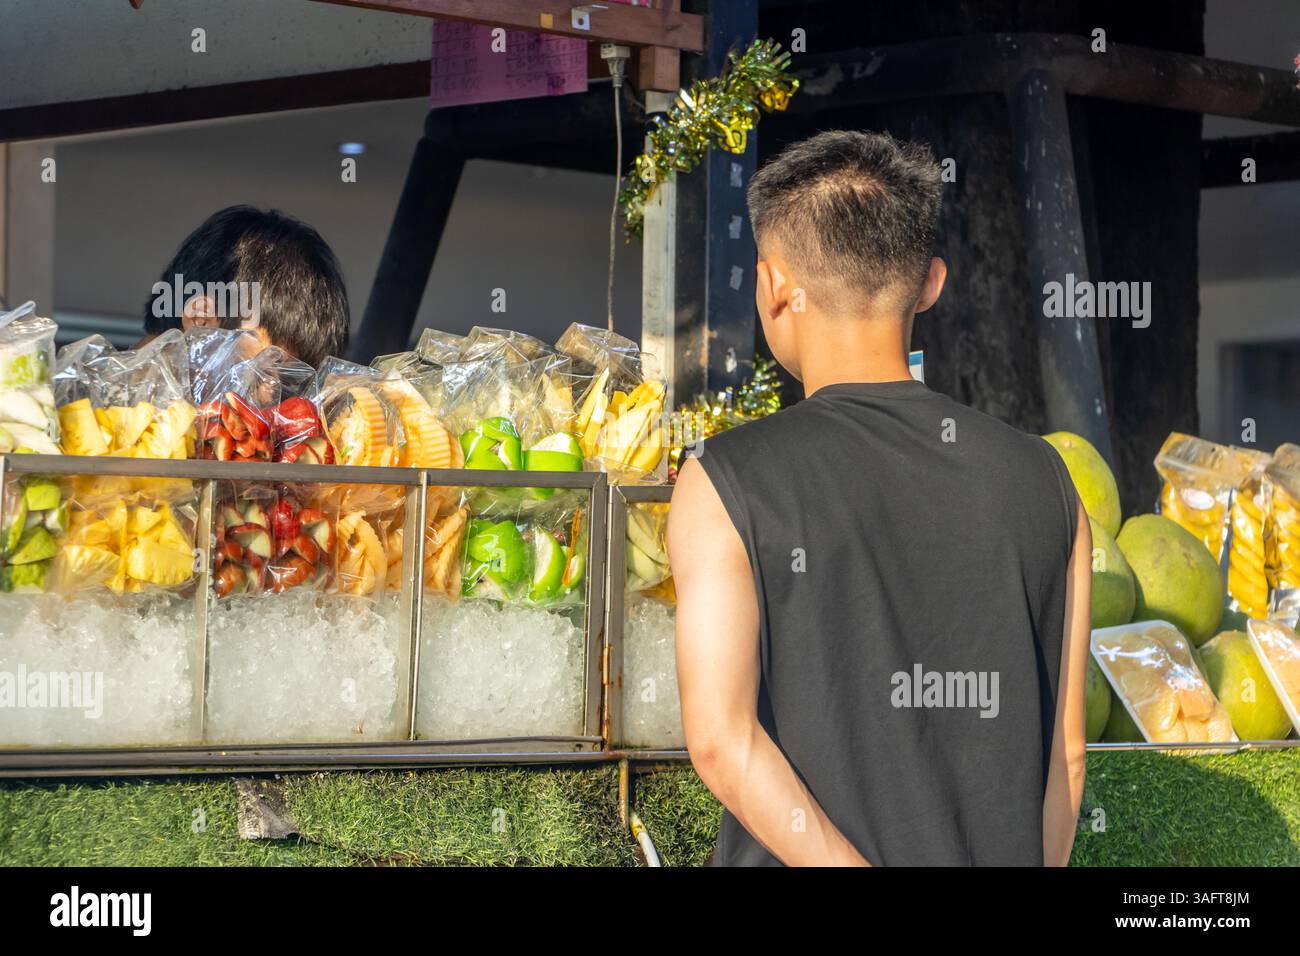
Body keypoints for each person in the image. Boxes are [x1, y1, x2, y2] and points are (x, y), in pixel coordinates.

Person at [667, 131, 1091, 867]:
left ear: (772, 287)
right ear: (930, 283)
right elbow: (1068, 758)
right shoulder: (1049, 482)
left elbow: (720, 740)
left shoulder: (724, 478)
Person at [140, 205, 349, 368]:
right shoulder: (110, 411)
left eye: (289, 387)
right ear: (201, 321)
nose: (270, 401)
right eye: (264, 370)